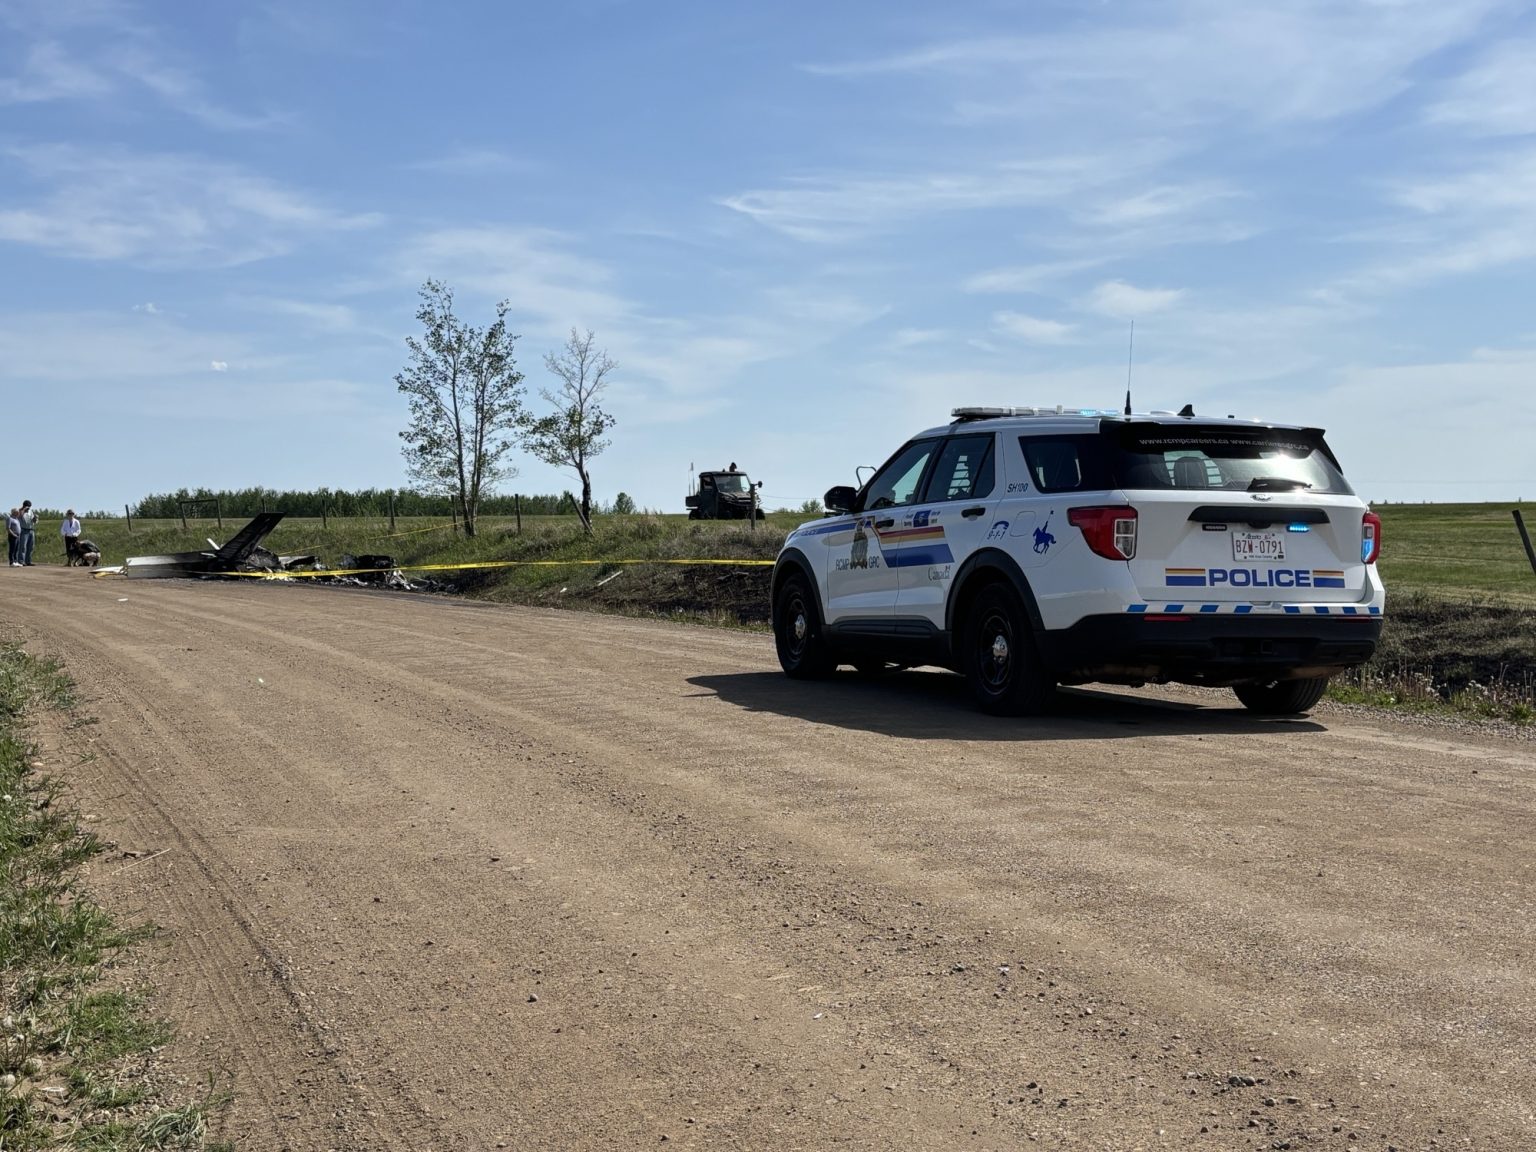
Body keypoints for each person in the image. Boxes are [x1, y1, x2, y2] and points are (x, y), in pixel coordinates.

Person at [17, 500, 37, 566]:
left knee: (30, 546)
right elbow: (19, 516)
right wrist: (24, 510)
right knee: (23, 547)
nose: (29, 508)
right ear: (24, 506)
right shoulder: (20, 511)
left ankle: (28, 561)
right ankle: (21, 561)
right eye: (28, 506)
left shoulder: (31, 512)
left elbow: (34, 521)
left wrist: (35, 518)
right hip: (24, 530)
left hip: (31, 530)